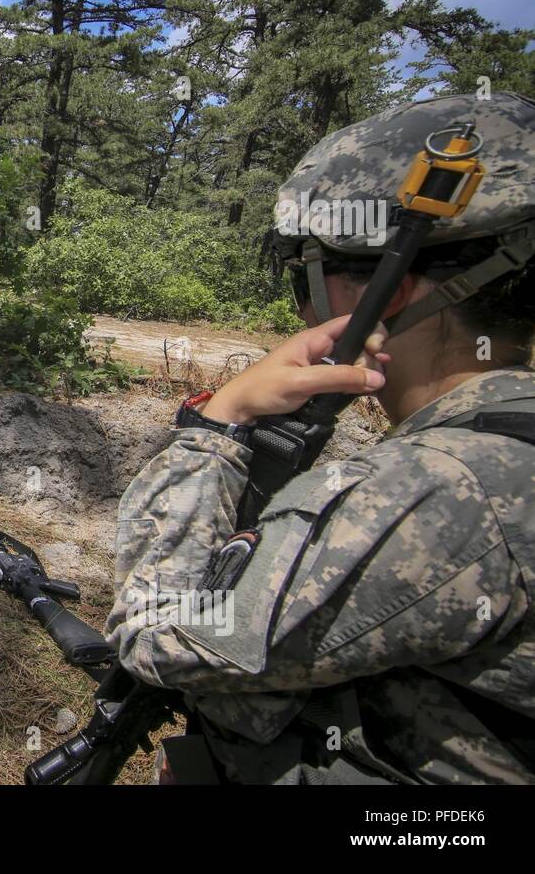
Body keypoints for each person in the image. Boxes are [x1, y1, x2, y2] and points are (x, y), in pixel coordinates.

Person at [104, 91, 535, 783]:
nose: (298, 304)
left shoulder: (438, 487)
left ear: (384, 294)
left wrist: (215, 425)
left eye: (299, 274)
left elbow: (155, 636)